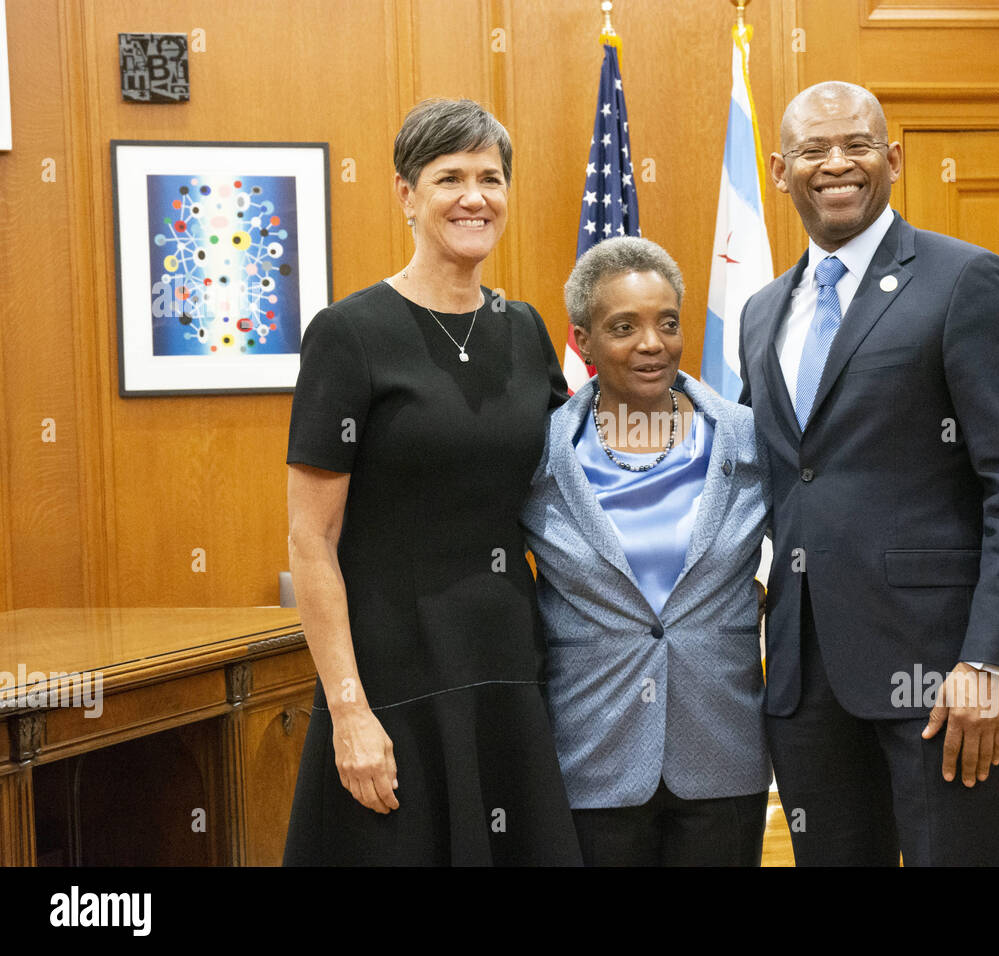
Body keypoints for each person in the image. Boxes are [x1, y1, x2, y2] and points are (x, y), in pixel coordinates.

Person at [738, 81, 999, 866]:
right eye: (813, 150)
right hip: (803, 678)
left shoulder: (964, 280)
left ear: (895, 157)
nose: (837, 164)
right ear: (780, 171)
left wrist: (991, 660)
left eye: (857, 145)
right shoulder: (760, 311)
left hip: (939, 673)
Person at [282, 99, 581, 865]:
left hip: (507, 665)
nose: (474, 197)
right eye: (449, 177)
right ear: (406, 194)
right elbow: (310, 540)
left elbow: (577, 485)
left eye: (491, 177)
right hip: (392, 678)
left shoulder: (525, 330)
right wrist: (349, 711)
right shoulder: (348, 335)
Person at [521, 237, 771, 866]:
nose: (652, 343)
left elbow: (817, 542)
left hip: (723, 747)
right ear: (582, 341)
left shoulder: (746, 439)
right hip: (592, 748)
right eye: (624, 327)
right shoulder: (538, 454)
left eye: (667, 323)